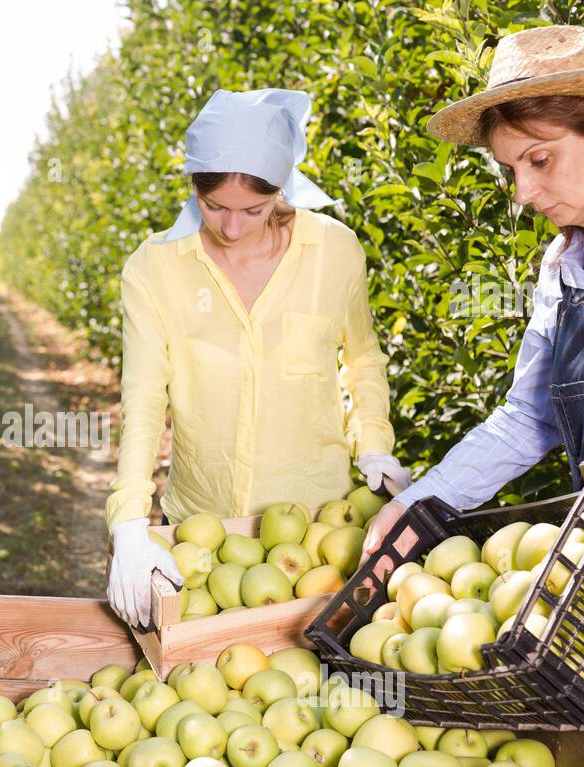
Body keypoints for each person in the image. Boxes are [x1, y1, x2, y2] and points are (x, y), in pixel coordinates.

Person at [361, 26, 584, 767]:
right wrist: (420, 504)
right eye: (511, 170)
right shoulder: (565, 270)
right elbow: (529, 419)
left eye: (538, 160)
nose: (522, 192)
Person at [106, 88, 409, 629]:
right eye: (215, 206)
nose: (231, 227)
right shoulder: (155, 269)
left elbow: (361, 359)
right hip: (202, 531)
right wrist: (129, 519)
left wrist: (376, 444)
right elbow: (145, 397)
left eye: (253, 210)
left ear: (281, 191)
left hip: (320, 533)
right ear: (193, 187)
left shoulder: (334, 251)